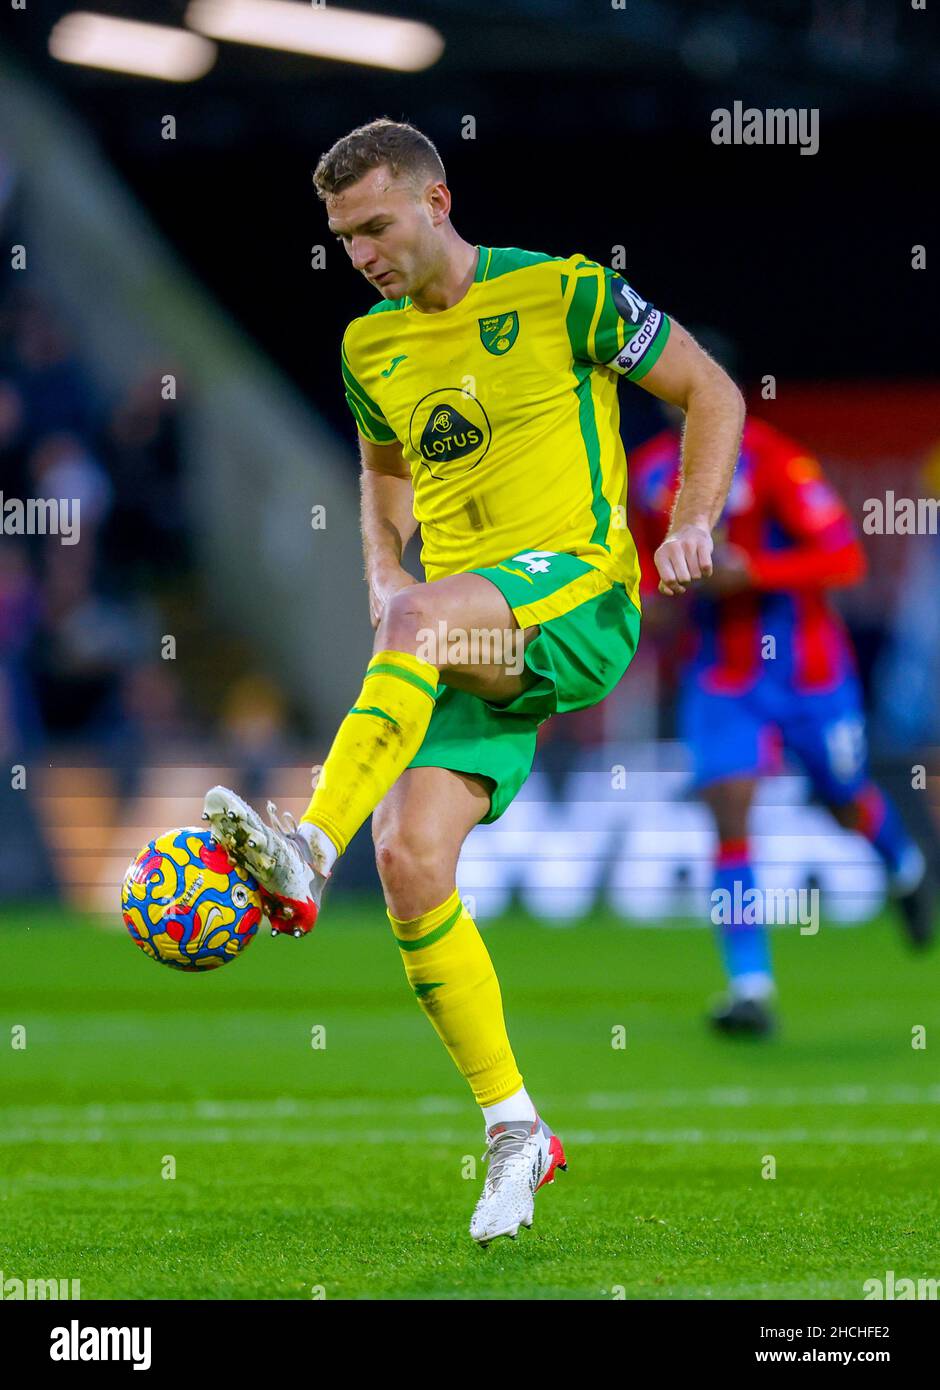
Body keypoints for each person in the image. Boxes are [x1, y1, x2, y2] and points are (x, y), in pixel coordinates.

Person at [203, 118, 744, 1243]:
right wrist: (379, 567)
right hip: (463, 629)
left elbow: (713, 393)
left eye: (375, 226)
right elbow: (382, 474)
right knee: (410, 861)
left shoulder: (565, 293)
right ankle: (515, 1129)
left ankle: (305, 849)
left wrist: (691, 521)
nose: (360, 254)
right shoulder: (368, 348)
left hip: (578, 596)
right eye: (344, 238)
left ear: (436, 201)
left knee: (415, 628)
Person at [630, 415, 934, 1038]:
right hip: (721, 676)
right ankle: (750, 987)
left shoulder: (776, 461)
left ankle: (904, 866)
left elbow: (843, 557)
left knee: (843, 799)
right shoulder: (651, 474)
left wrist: (754, 572)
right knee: (729, 810)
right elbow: (643, 564)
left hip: (808, 673)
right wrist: (651, 604)